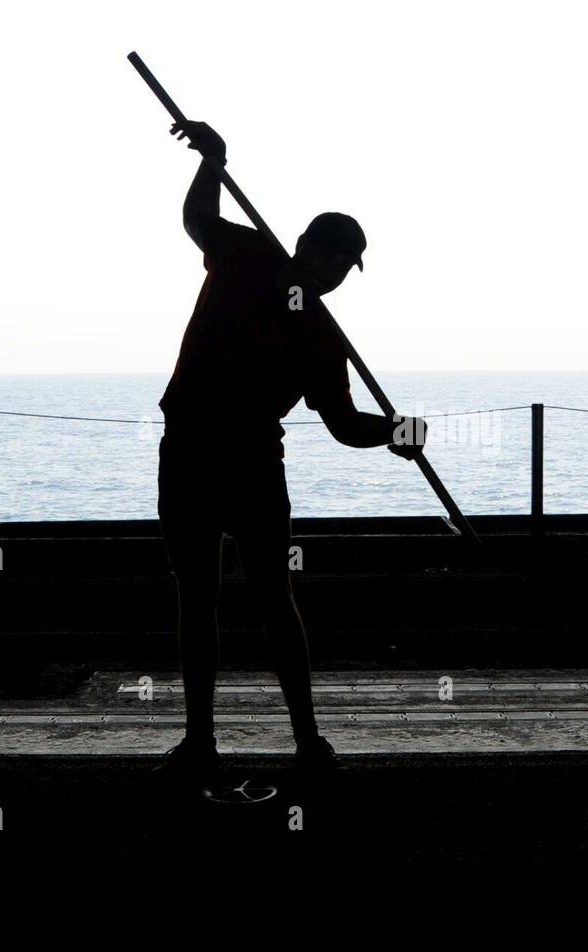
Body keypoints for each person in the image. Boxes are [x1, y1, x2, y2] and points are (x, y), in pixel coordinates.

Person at [153, 119, 427, 784]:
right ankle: (211, 742)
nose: (334, 276)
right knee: (208, 599)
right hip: (200, 452)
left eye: (343, 269)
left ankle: (300, 741)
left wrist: (392, 434)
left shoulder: (318, 330)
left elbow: (342, 423)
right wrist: (213, 160)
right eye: (333, 261)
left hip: (241, 460)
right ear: (309, 246)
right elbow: (196, 219)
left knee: (262, 599)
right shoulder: (250, 256)